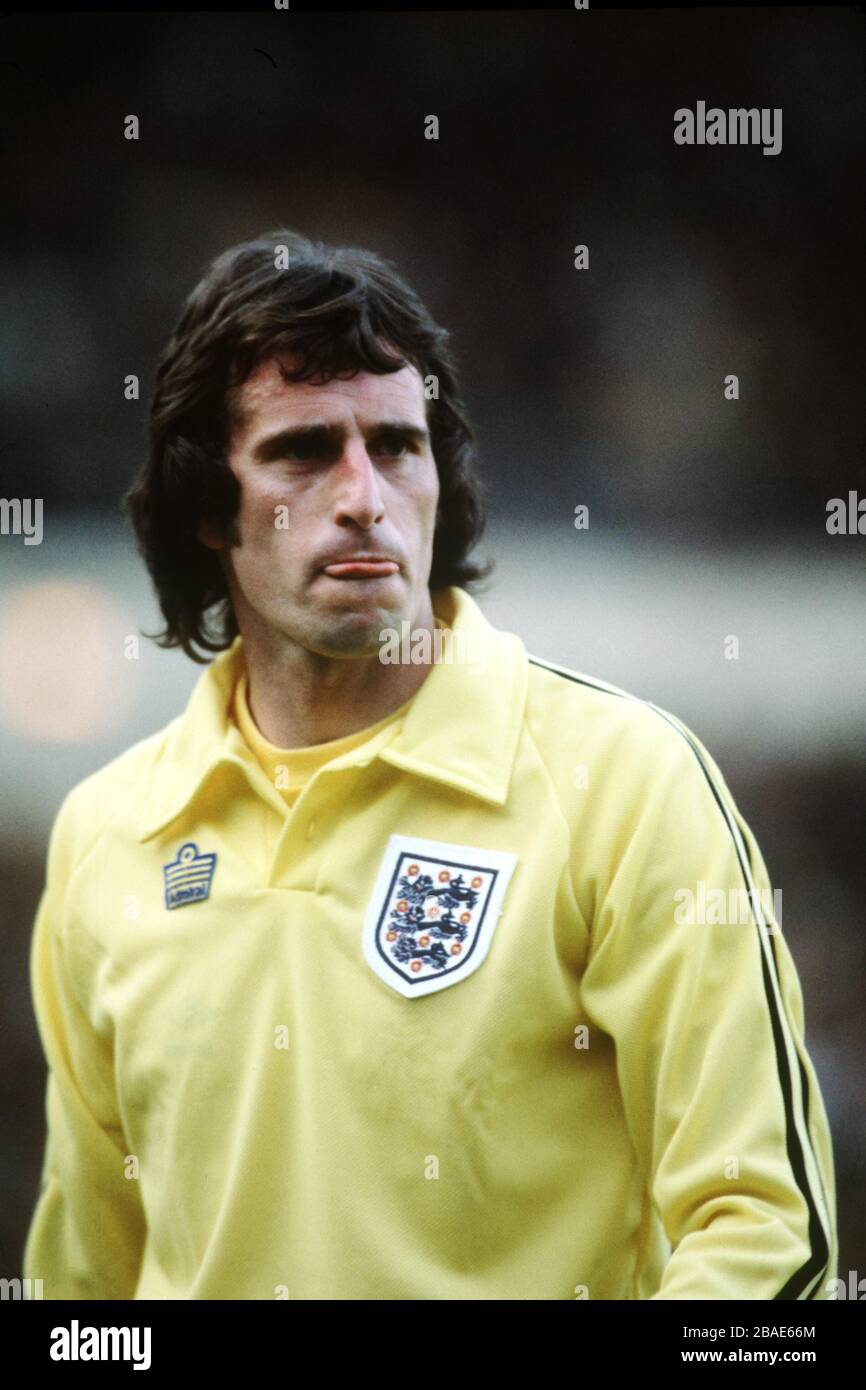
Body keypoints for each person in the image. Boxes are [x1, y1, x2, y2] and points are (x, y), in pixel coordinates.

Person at [23, 229, 837, 1300]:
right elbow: (84, 1287)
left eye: (397, 446)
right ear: (209, 503)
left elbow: (765, 1239)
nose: (362, 494)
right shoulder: (106, 836)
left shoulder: (625, 783)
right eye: (305, 450)